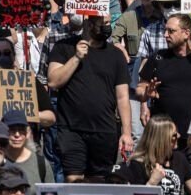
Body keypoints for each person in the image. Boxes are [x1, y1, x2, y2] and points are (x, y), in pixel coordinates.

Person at [47, 14, 132, 179]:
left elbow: (122, 97)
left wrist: (126, 132)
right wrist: (76, 57)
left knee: (99, 183)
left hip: (104, 131)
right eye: (104, 23)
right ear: (89, 23)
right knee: (74, 181)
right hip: (72, 129)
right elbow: (53, 82)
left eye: (109, 23)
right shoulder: (64, 47)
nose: (108, 27)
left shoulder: (116, 55)